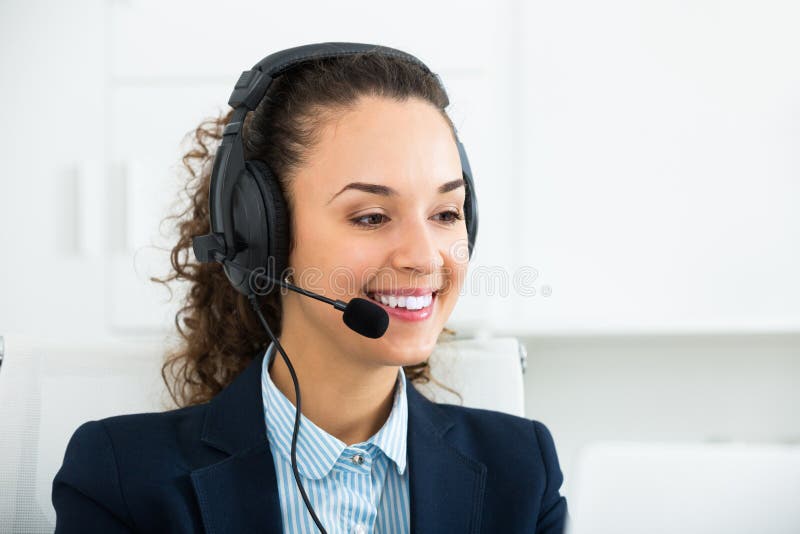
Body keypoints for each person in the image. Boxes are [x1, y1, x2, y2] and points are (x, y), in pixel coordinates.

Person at [51, 44, 568, 533]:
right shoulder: (122, 476)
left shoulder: (522, 469)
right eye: (370, 217)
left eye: (446, 213)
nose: (423, 256)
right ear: (262, 238)